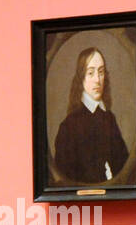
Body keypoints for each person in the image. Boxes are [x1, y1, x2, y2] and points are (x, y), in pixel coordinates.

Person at [53, 47, 130, 184]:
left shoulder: (108, 118)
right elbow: (66, 182)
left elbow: (123, 167)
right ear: (81, 78)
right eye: (90, 73)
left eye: (101, 72)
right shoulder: (69, 126)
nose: (97, 80)